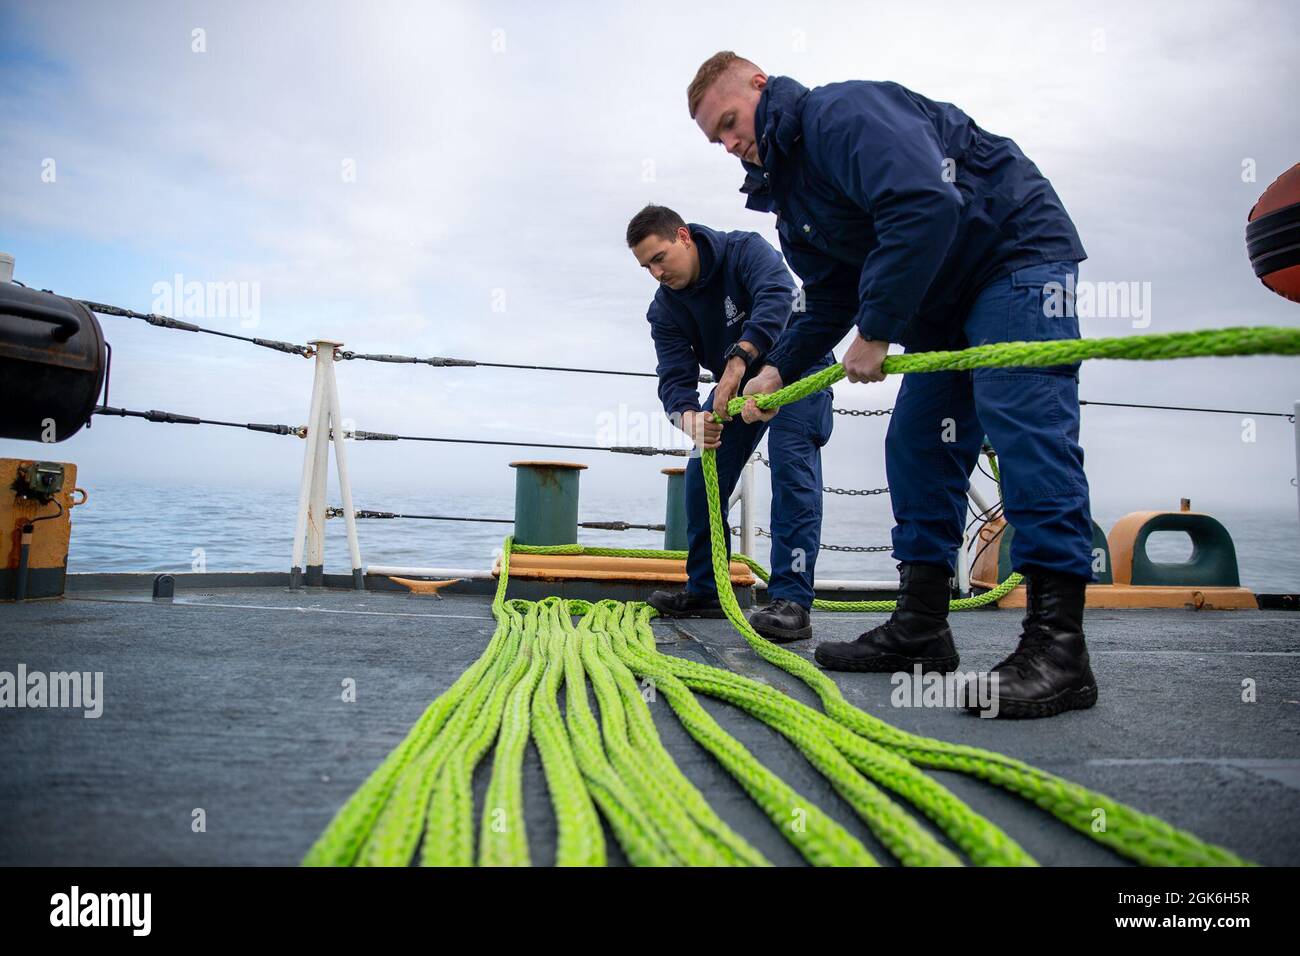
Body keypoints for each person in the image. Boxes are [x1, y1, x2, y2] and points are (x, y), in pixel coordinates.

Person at [685, 52, 1098, 718]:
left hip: (1012, 253)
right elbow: (827, 300)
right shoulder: (792, 202)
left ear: (760, 83)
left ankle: (1059, 648)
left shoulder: (839, 115)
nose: (732, 144)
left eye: (731, 122)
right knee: (915, 444)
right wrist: (774, 368)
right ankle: (923, 627)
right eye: (718, 139)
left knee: (1021, 418)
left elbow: (925, 202)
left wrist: (876, 330)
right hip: (940, 304)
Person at [627, 203, 833, 642]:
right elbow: (674, 381)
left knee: (791, 460)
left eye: (659, 258)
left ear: (683, 237)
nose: (656, 273)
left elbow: (779, 295)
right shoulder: (664, 311)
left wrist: (739, 360)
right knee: (702, 474)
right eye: (646, 267)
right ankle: (708, 590)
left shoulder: (745, 251)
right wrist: (689, 420)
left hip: (801, 364)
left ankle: (792, 599)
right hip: (734, 385)